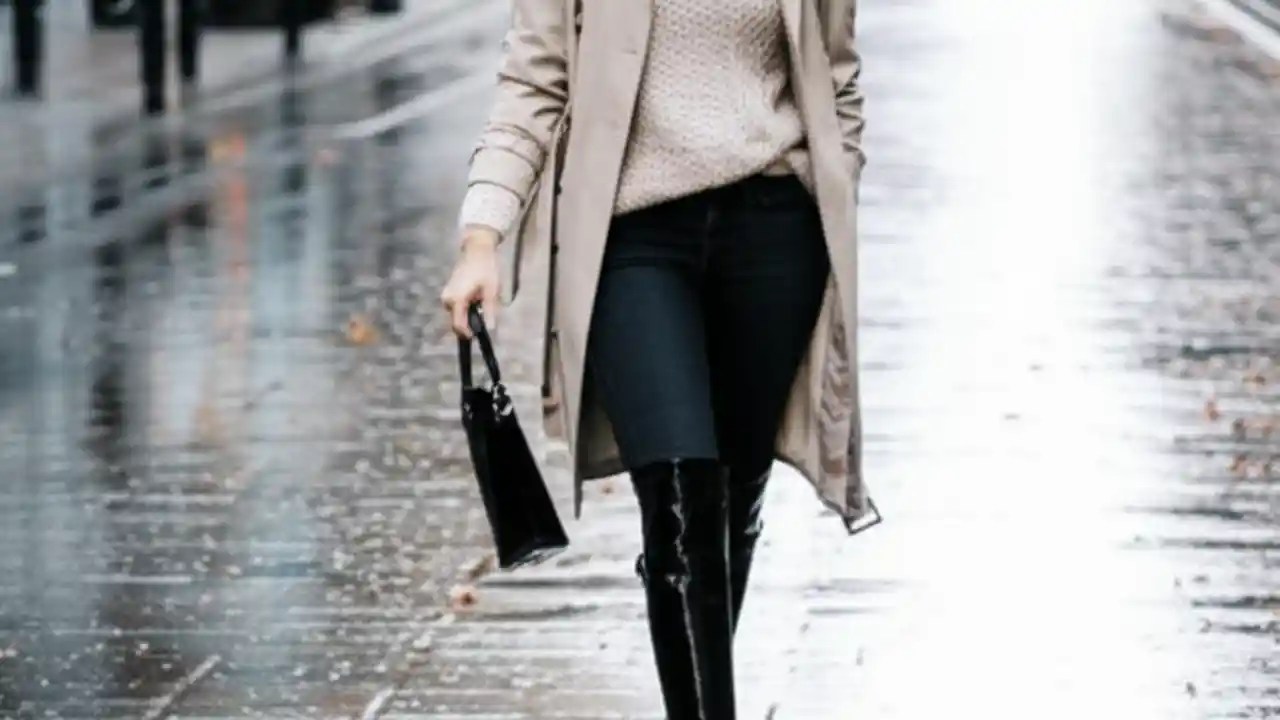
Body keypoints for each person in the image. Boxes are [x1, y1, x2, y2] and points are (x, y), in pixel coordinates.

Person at [441, 0, 875, 717]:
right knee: (678, 490)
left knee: (729, 498)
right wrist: (483, 235)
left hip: (773, 234)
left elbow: (837, 76)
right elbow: (533, 81)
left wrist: (836, 181)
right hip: (631, 237)